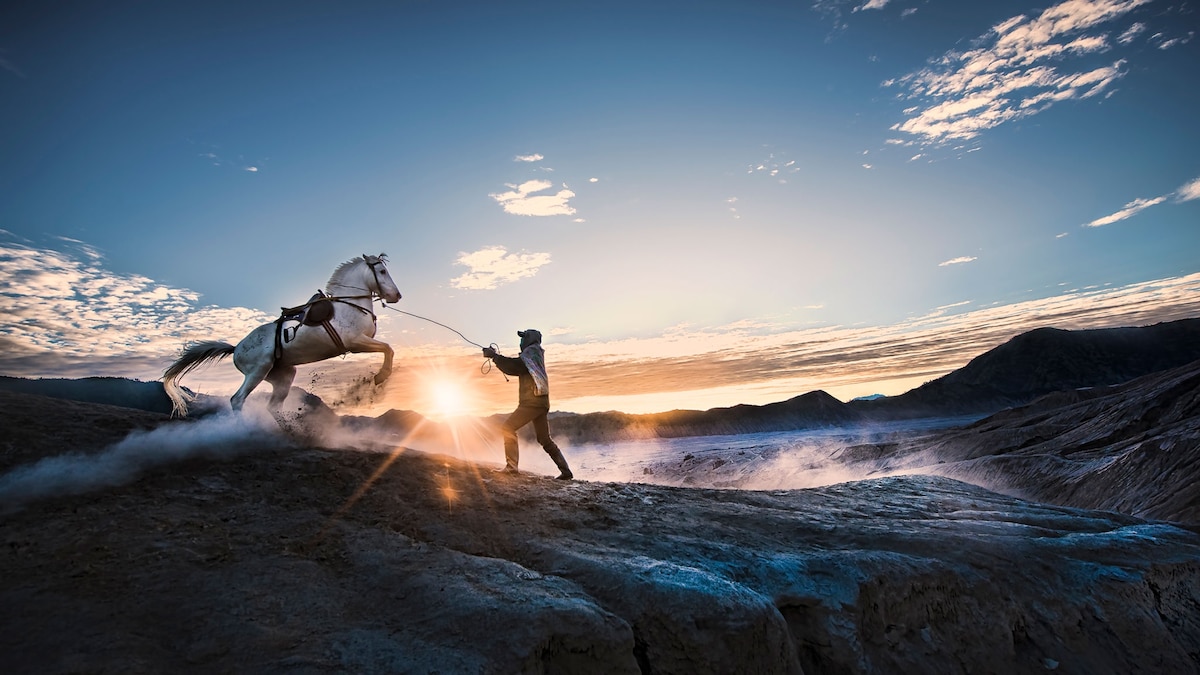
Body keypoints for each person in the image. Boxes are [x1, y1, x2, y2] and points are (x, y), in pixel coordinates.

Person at [482, 329, 573, 480]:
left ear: (529, 339)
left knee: (508, 427)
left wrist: (495, 357)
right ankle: (566, 472)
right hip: (541, 402)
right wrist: (496, 358)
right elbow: (517, 366)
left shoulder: (531, 352)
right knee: (544, 439)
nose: (521, 342)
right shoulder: (535, 353)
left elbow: (516, 367)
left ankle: (511, 468)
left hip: (532, 402)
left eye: (523, 338)